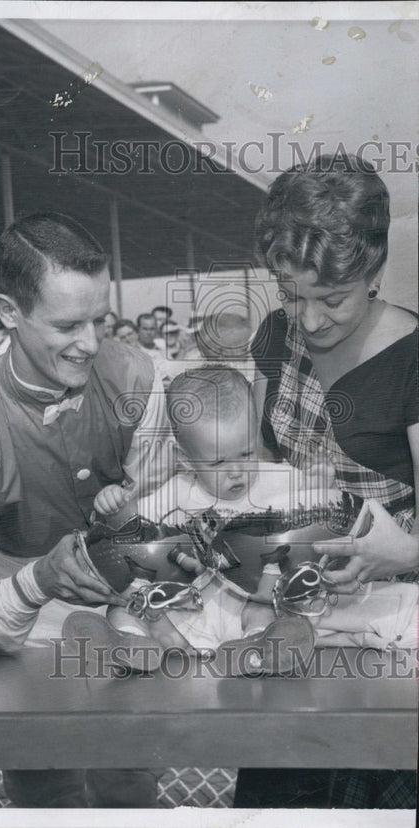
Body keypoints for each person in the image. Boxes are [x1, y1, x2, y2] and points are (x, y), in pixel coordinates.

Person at [0, 212, 170, 808]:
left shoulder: (138, 375)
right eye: (67, 324)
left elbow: (160, 515)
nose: (90, 343)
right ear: (8, 311)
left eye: (99, 320)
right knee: (45, 793)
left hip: (125, 617)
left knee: (130, 787)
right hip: (18, 627)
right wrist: (38, 581)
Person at [236, 152, 418, 808]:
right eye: (292, 294)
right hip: (291, 623)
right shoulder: (276, 338)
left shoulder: (412, 359)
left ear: (374, 266)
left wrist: (407, 550)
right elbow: (255, 472)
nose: (309, 320)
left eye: (332, 298)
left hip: (390, 646)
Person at [74, 367, 417, 670]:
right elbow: (136, 529)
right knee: (131, 605)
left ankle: (263, 647)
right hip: (197, 606)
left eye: (247, 453)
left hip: (254, 601)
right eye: (220, 463)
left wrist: (318, 483)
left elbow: (314, 508)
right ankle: (129, 643)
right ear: (186, 458)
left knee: (268, 610)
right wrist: (114, 506)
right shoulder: (177, 490)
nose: (238, 472)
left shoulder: (278, 477)